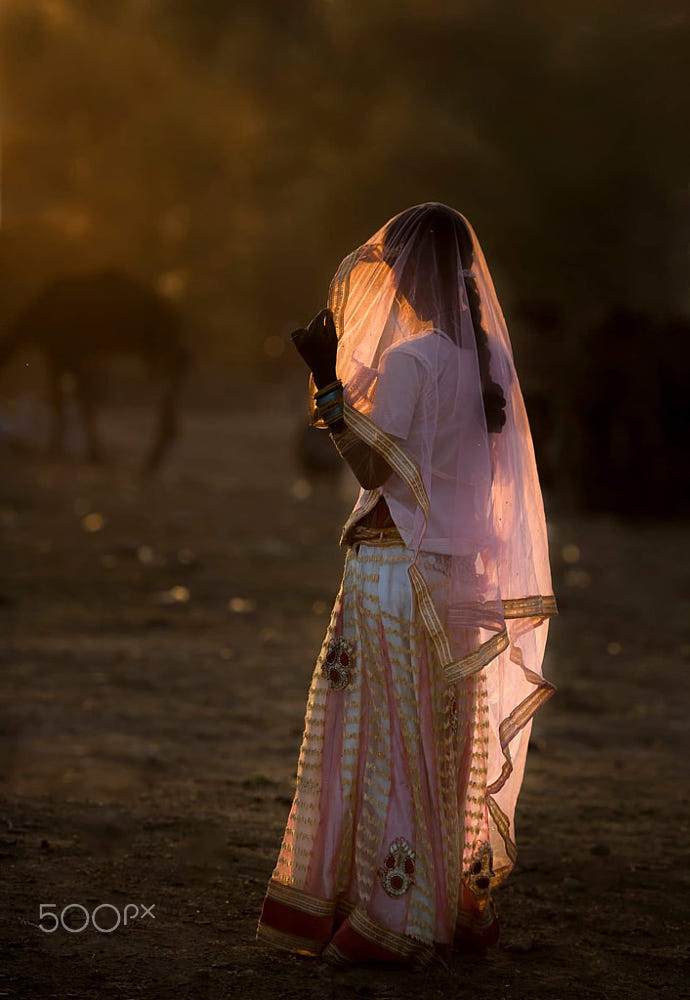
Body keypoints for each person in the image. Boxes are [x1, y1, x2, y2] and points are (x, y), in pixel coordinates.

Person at [256, 202, 557, 966]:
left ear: (407, 278)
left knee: (387, 740)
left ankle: (393, 914)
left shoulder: (412, 358)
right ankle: (437, 906)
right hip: (454, 576)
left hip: (393, 574)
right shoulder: (482, 362)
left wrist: (325, 382)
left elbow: (370, 469)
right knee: (437, 742)